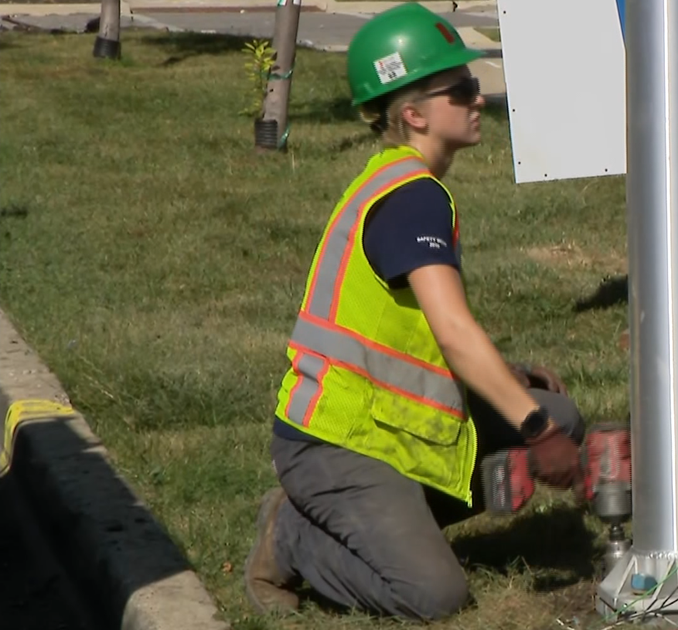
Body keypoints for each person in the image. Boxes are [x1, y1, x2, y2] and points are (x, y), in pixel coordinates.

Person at [242, 5, 587, 622]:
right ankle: (291, 534)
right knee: (434, 596)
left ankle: (394, 524)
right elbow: (453, 333)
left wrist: (511, 375)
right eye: (461, 89)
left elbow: (414, 325)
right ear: (414, 113)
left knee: (563, 411)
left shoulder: (398, 182)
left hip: (384, 425)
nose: (478, 99)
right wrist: (536, 430)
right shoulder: (413, 198)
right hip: (337, 444)